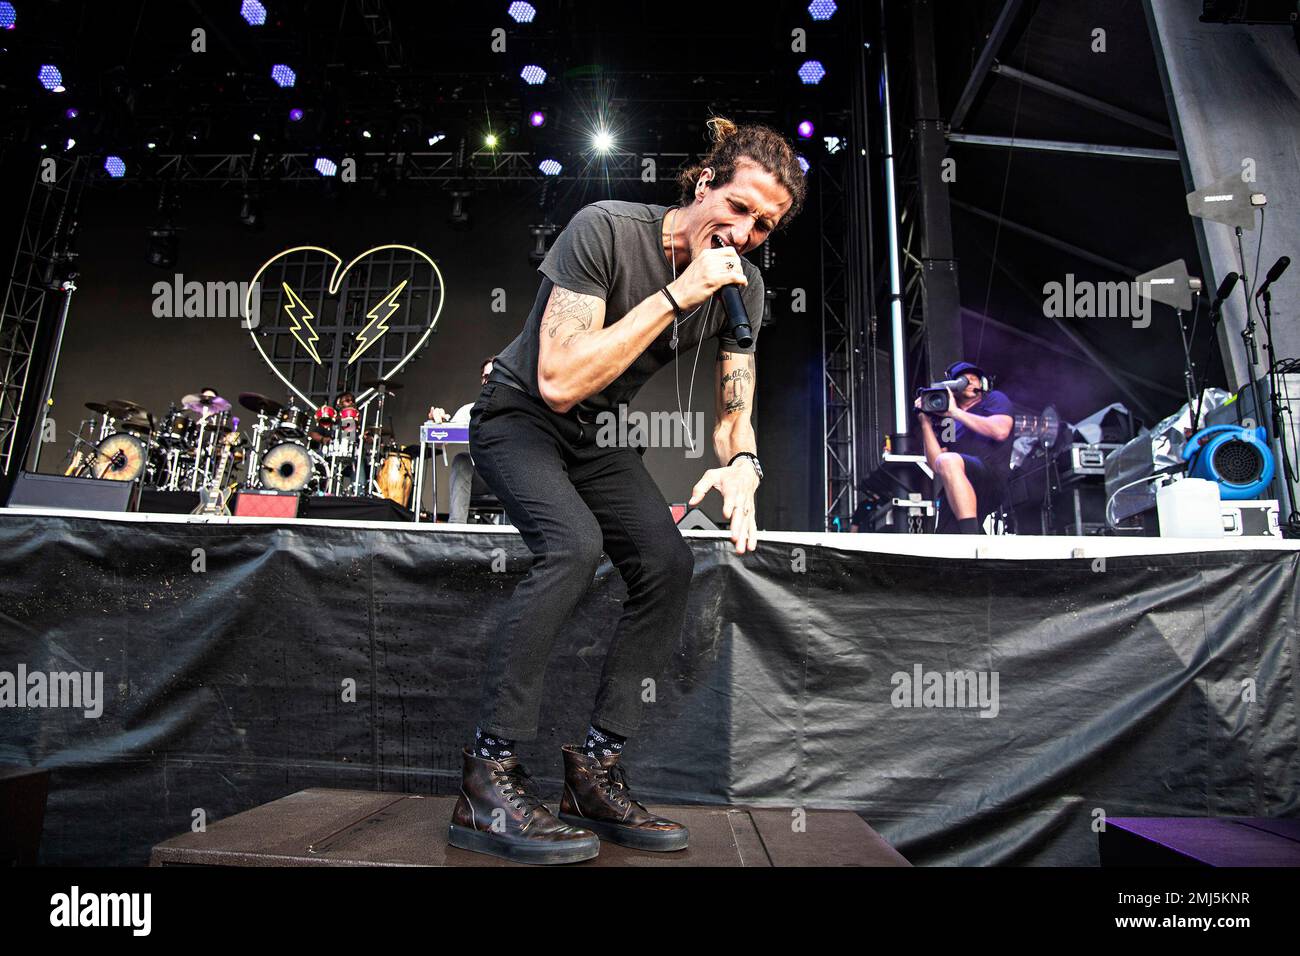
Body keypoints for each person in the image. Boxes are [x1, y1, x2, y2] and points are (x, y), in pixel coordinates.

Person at [449, 117, 805, 864]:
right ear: (702, 183)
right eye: (737, 209)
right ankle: (488, 778)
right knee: (573, 547)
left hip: (598, 439)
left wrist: (744, 464)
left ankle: (595, 773)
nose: (744, 234)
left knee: (668, 565)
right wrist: (679, 294)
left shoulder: (746, 289)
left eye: (764, 226)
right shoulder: (605, 229)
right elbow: (556, 380)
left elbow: (733, 416)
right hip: (520, 417)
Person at [913, 361, 1014, 534]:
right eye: (964, 379)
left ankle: (970, 537)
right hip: (959, 483)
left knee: (949, 460)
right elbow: (937, 463)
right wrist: (925, 424)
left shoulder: (993, 400)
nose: (970, 382)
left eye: (974, 378)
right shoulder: (948, 421)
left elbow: (1000, 431)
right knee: (946, 541)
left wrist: (955, 413)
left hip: (990, 477)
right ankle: (973, 543)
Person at [427, 356, 495, 523]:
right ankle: (456, 530)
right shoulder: (468, 411)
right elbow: (441, 442)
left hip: (510, 476)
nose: (489, 381)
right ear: (482, 381)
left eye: (494, 376)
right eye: (486, 377)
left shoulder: (515, 410)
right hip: (481, 478)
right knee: (461, 460)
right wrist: (438, 423)